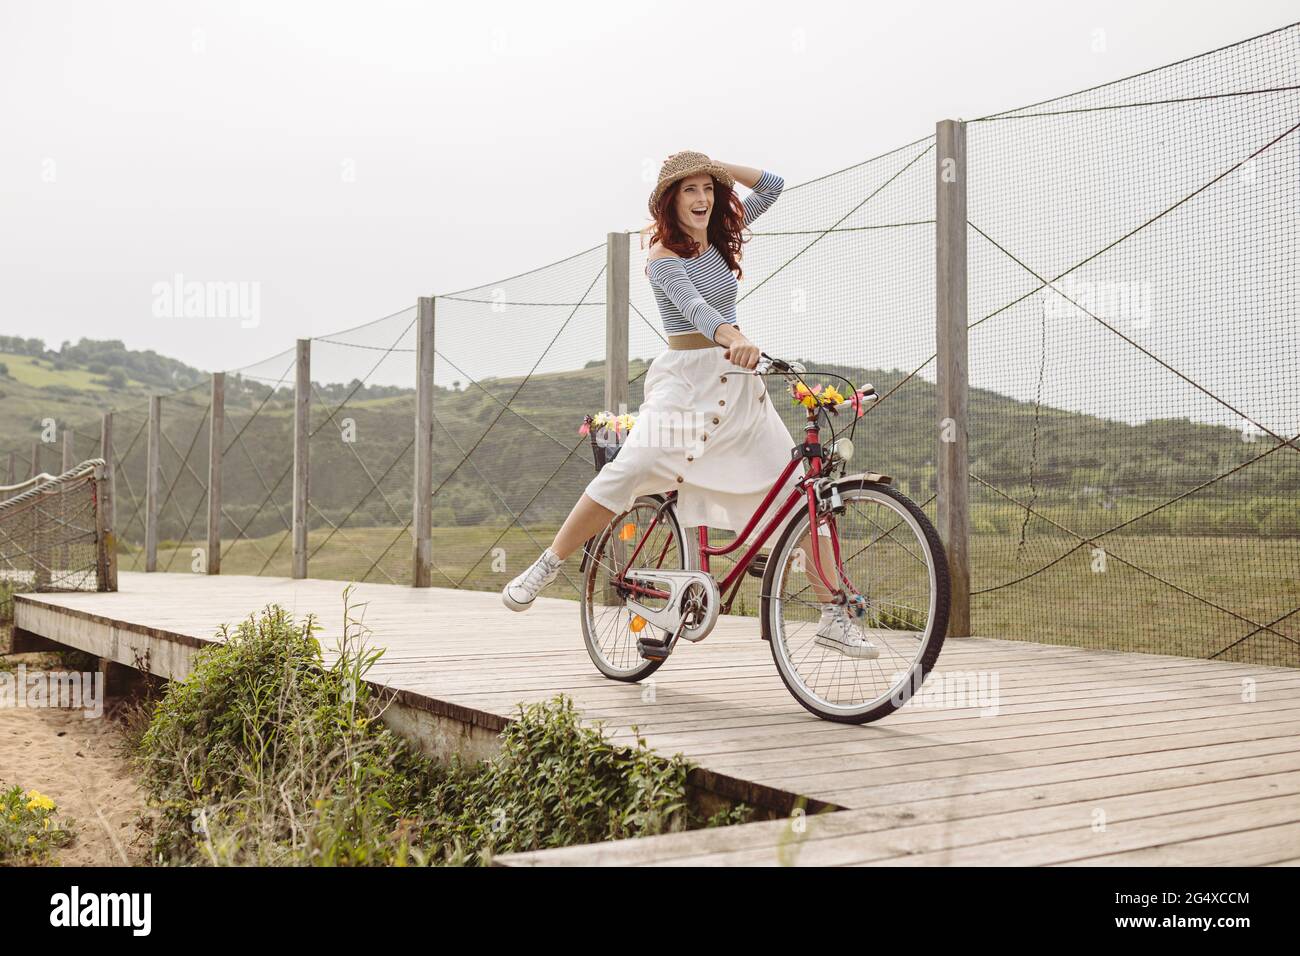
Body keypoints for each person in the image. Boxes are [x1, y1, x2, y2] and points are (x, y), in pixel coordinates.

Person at [501, 150, 876, 659]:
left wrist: (718, 165)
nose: (701, 199)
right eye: (689, 190)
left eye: (707, 189)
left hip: (740, 389)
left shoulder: (721, 233)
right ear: (669, 201)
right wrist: (732, 334)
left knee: (799, 496)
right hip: (685, 383)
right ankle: (549, 562)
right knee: (630, 468)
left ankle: (833, 613)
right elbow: (696, 309)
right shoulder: (660, 253)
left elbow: (773, 185)